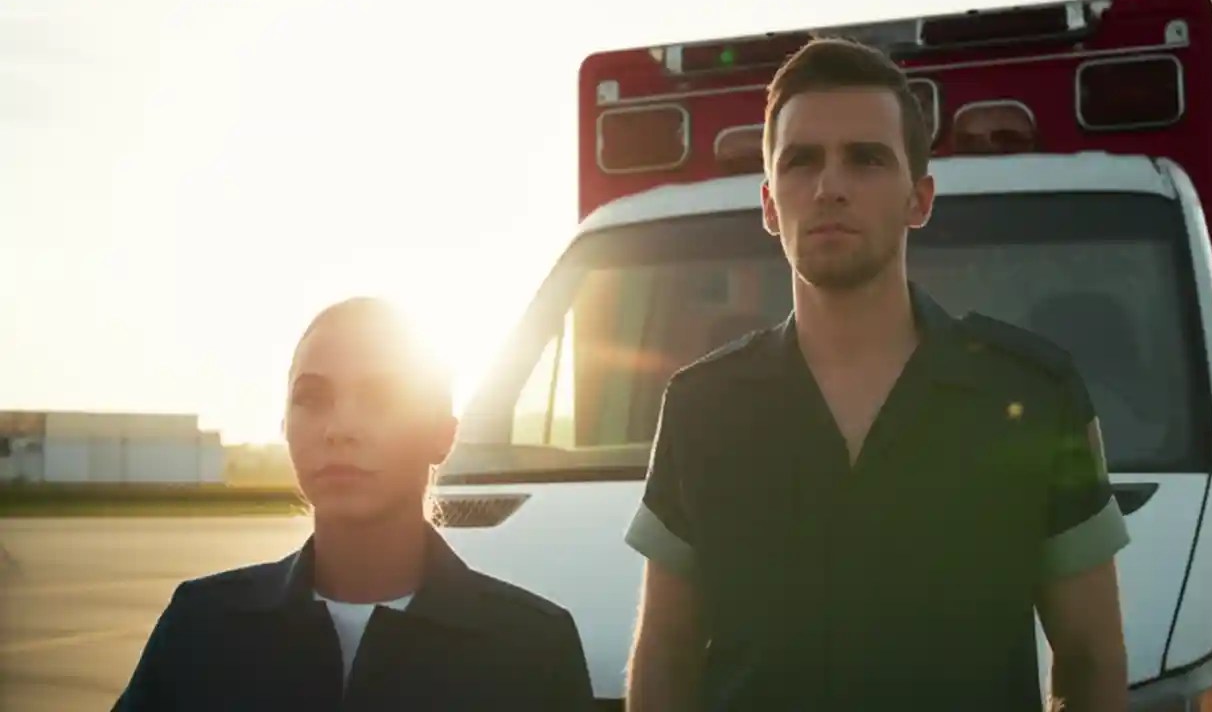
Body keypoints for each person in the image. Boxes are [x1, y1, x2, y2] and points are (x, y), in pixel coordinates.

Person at [623, 38, 1130, 711]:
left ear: (919, 199)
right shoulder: (702, 406)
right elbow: (665, 655)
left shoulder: (1033, 395)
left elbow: (1091, 657)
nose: (829, 187)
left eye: (866, 159)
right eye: (802, 161)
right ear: (770, 205)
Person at [113, 297, 595, 711]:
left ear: (443, 436)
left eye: (381, 396)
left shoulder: (532, 650)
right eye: (312, 398)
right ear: (285, 428)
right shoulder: (201, 627)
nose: (340, 427)